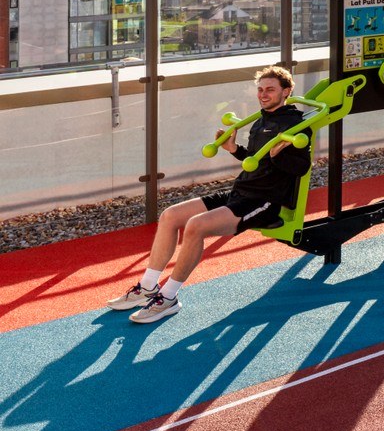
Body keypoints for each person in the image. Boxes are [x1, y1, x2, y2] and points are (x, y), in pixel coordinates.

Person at [108, 66, 312, 324]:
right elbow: (255, 160)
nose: (263, 94)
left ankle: (169, 298)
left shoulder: (297, 124)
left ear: (286, 91)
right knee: (170, 215)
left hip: (264, 202)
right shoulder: (261, 121)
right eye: (260, 89)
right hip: (240, 192)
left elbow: (301, 168)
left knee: (196, 226)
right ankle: (148, 286)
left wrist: (278, 157)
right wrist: (234, 149)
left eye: (270, 89)